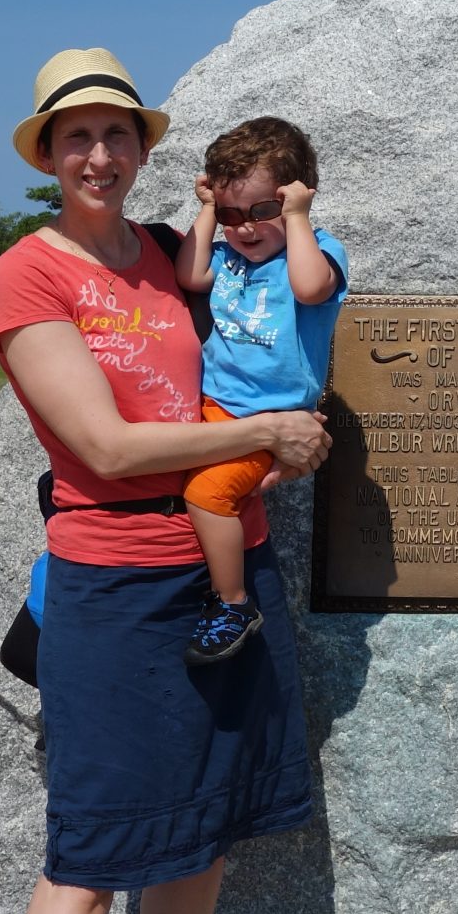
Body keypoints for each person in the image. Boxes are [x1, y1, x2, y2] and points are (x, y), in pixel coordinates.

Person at [0, 47, 330, 914]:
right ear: (46, 153)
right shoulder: (28, 274)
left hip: (222, 573)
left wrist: (279, 435)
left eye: (118, 133)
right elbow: (100, 442)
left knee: (205, 842)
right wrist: (258, 435)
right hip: (110, 585)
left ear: (143, 148)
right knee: (86, 866)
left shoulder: (168, 258)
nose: (99, 152)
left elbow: (267, 334)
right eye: (75, 136)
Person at [172, 117, 349, 665]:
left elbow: (310, 288)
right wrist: (206, 212)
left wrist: (298, 218)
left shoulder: (318, 251)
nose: (245, 229)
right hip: (212, 406)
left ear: (293, 201)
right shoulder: (226, 258)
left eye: (262, 212)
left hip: (265, 419)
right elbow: (189, 276)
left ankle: (233, 603)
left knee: (208, 494)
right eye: (232, 216)